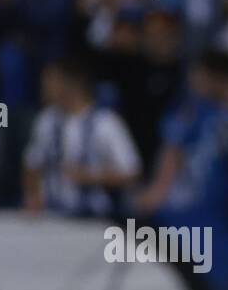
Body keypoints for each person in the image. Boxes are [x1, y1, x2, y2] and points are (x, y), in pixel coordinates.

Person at [22, 56, 142, 217]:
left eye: (50, 80)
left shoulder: (106, 123)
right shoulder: (46, 120)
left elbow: (131, 172)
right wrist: (32, 195)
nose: (44, 87)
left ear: (70, 84)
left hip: (93, 217)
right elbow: (32, 163)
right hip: (50, 215)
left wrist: (90, 175)